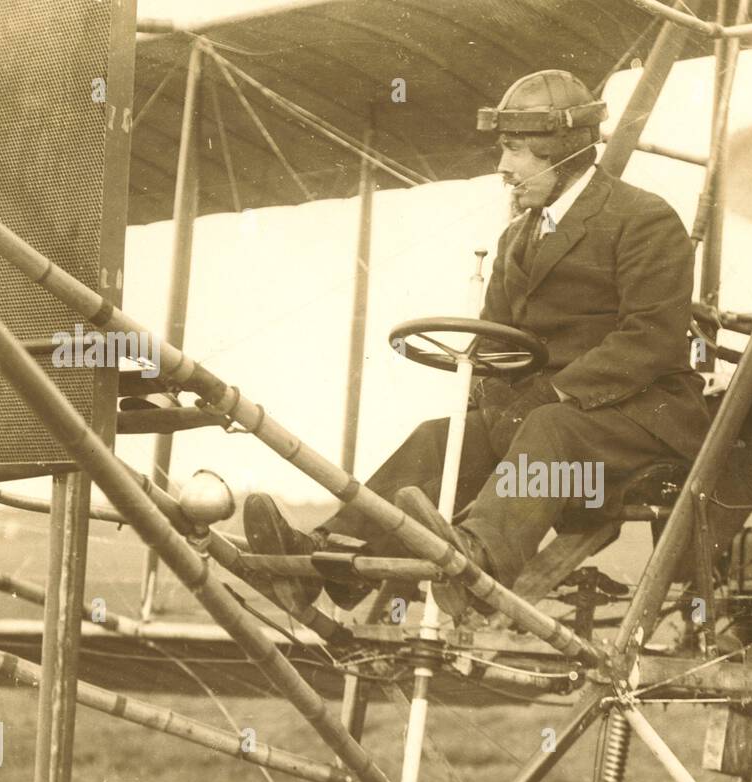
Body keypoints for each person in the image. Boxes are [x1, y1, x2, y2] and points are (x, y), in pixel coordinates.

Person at [243, 69, 709, 617]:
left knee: (547, 426)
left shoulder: (643, 219)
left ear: (563, 151)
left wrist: (555, 394)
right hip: (552, 422)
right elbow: (496, 341)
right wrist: (487, 403)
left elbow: (650, 339)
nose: (503, 168)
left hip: (638, 422)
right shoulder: (518, 235)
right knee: (442, 437)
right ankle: (330, 561)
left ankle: (478, 560)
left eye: (516, 151)